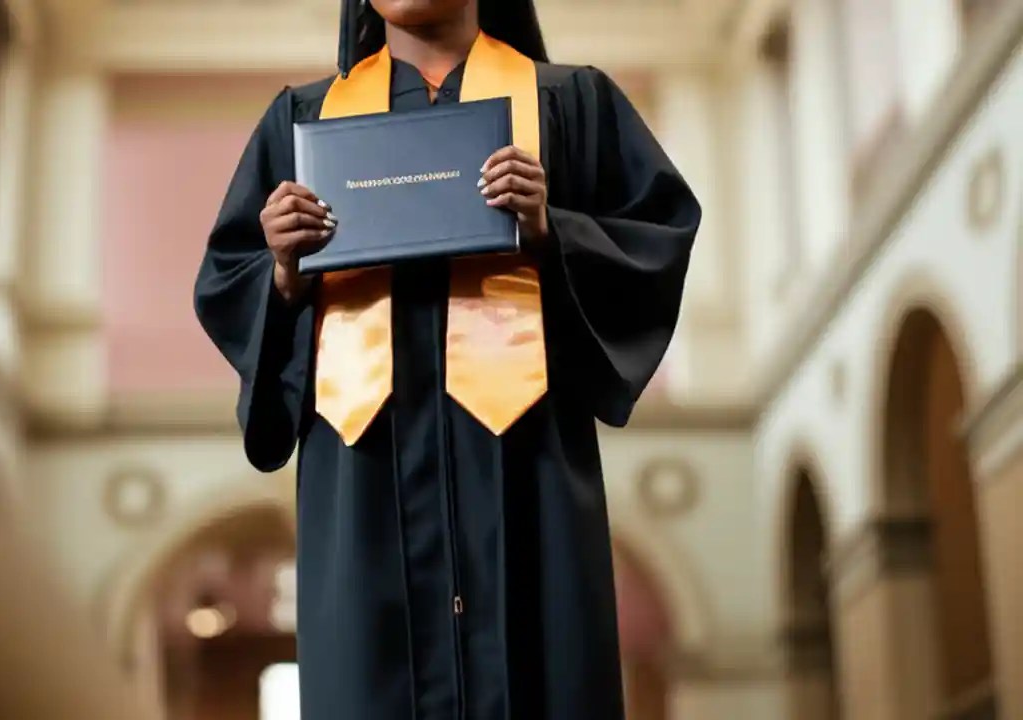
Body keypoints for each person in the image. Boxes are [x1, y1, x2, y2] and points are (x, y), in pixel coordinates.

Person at [193, 1, 700, 717]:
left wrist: (553, 229)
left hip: (528, 461)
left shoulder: (571, 102)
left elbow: (656, 240)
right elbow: (228, 279)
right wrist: (281, 269)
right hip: (361, 465)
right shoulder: (303, 120)